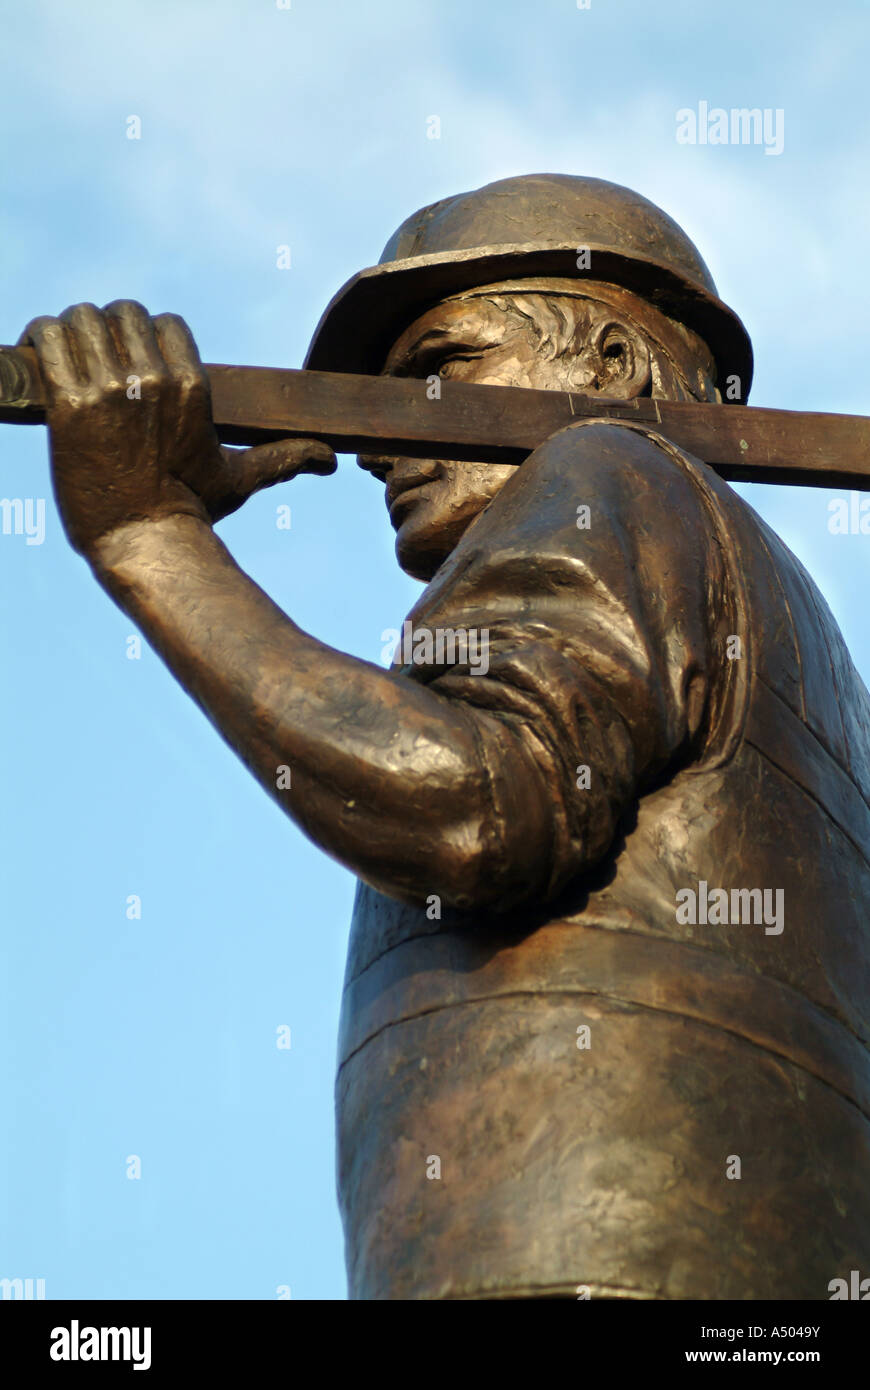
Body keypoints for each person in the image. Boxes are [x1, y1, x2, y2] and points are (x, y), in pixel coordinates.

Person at [22, 174, 870, 1300]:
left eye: (441, 370)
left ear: (609, 368)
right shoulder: (781, 619)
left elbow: (476, 804)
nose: (382, 442)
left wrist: (148, 536)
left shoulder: (604, 472)